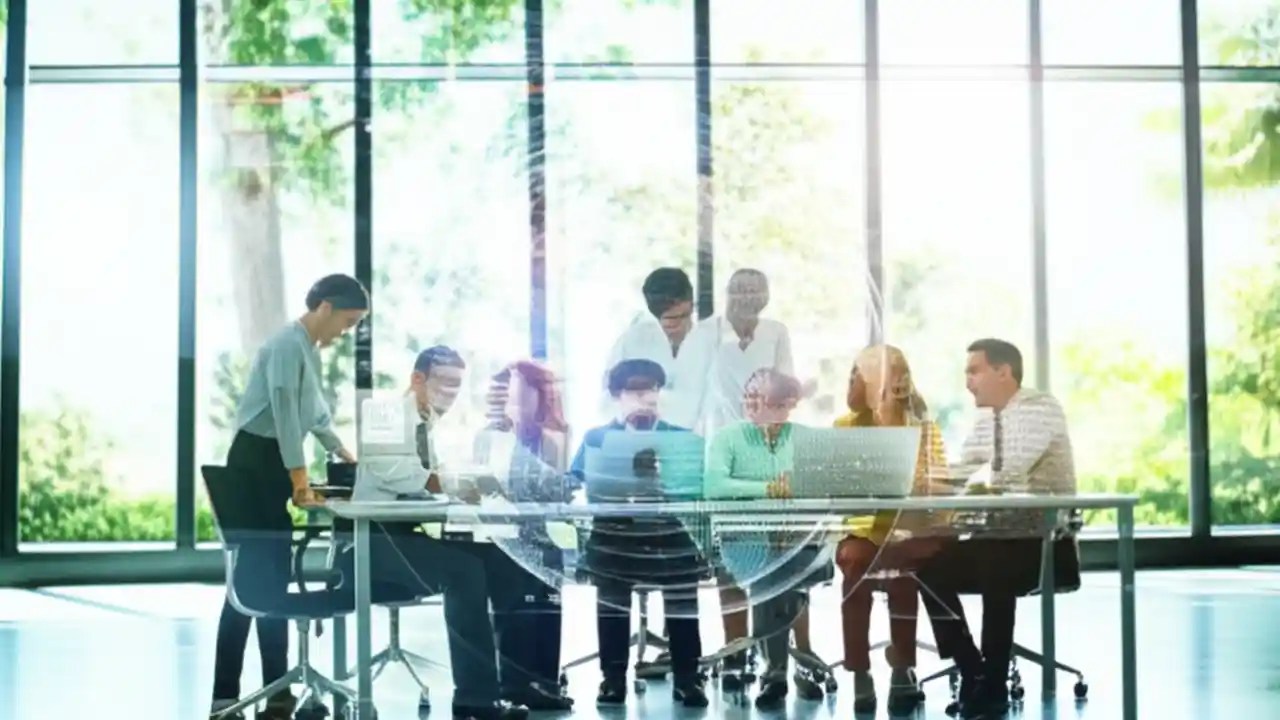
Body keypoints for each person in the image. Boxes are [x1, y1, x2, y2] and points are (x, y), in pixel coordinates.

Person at [209, 274, 365, 720]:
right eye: (348, 321)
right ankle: (226, 696)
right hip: (255, 462)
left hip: (273, 463)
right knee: (249, 583)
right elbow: (283, 415)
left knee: (271, 578)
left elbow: (313, 414)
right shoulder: (285, 345)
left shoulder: (306, 351)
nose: (346, 332)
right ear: (325, 308)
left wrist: (344, 455)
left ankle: (277, 692)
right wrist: (300, 479)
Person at [918, 338, 1077, 719]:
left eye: (974, 371)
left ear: (1003, 372)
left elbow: (1010, 473)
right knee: (927, 568)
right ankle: (975, 669)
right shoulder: (989, 418)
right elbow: (959, 471)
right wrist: (918, 483)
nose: (968, 382)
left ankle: (992, 685)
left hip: (1044, 541)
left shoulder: (1041, 409)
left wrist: (960, 493)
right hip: (1001, 537)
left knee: (995, 560)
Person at [569, 359, 709, 708]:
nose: (645, 396)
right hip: (616, 529)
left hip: (665, 529)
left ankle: (688, 676)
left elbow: (695, 487)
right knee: (611, 585)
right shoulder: (598, 437)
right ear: (618, 394)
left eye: (652, 389)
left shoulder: (679, 437)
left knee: (681, 580)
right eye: (635, 389)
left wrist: (666, 479)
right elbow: (578, 480)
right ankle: (613, 677)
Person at [833, 345, 949, 714]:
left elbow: (939, 481)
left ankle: (902, 668)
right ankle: (859, 672)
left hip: (909, 527)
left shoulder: (922, 428)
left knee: (902, 574)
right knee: (855, 563)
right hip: (864, 528)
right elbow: (836, 483)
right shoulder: (846, 426)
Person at [705, 368, 819, 710]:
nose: (752, 403)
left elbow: (819, 486)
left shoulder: (806, 438)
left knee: (781, 567)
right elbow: (714, 486)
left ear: (786, 405)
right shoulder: (727, 438)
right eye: (749, 395)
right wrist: (768, 488)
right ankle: (775, 670)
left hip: (792, 540)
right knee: (772, 571)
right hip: (742, 540)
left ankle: (776, 670)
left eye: (762, 397)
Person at [471, 360, 575, 711]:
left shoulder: (553, 435)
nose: (515, 399)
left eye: (523, 392)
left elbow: (555, 488)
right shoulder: (487, 437)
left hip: (540, 534)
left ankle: (544, 682)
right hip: (502, 535)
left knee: (545, 603)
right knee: (511, 601)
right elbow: (479, 486)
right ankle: (515, 684)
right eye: (510, 393)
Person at [602, 267, 711, 430]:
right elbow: (610, 394)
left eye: (685, 315)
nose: (680, 324)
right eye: (671, 318)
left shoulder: (708, 341)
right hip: (643, 439)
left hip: (697, 442)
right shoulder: (633, 340)